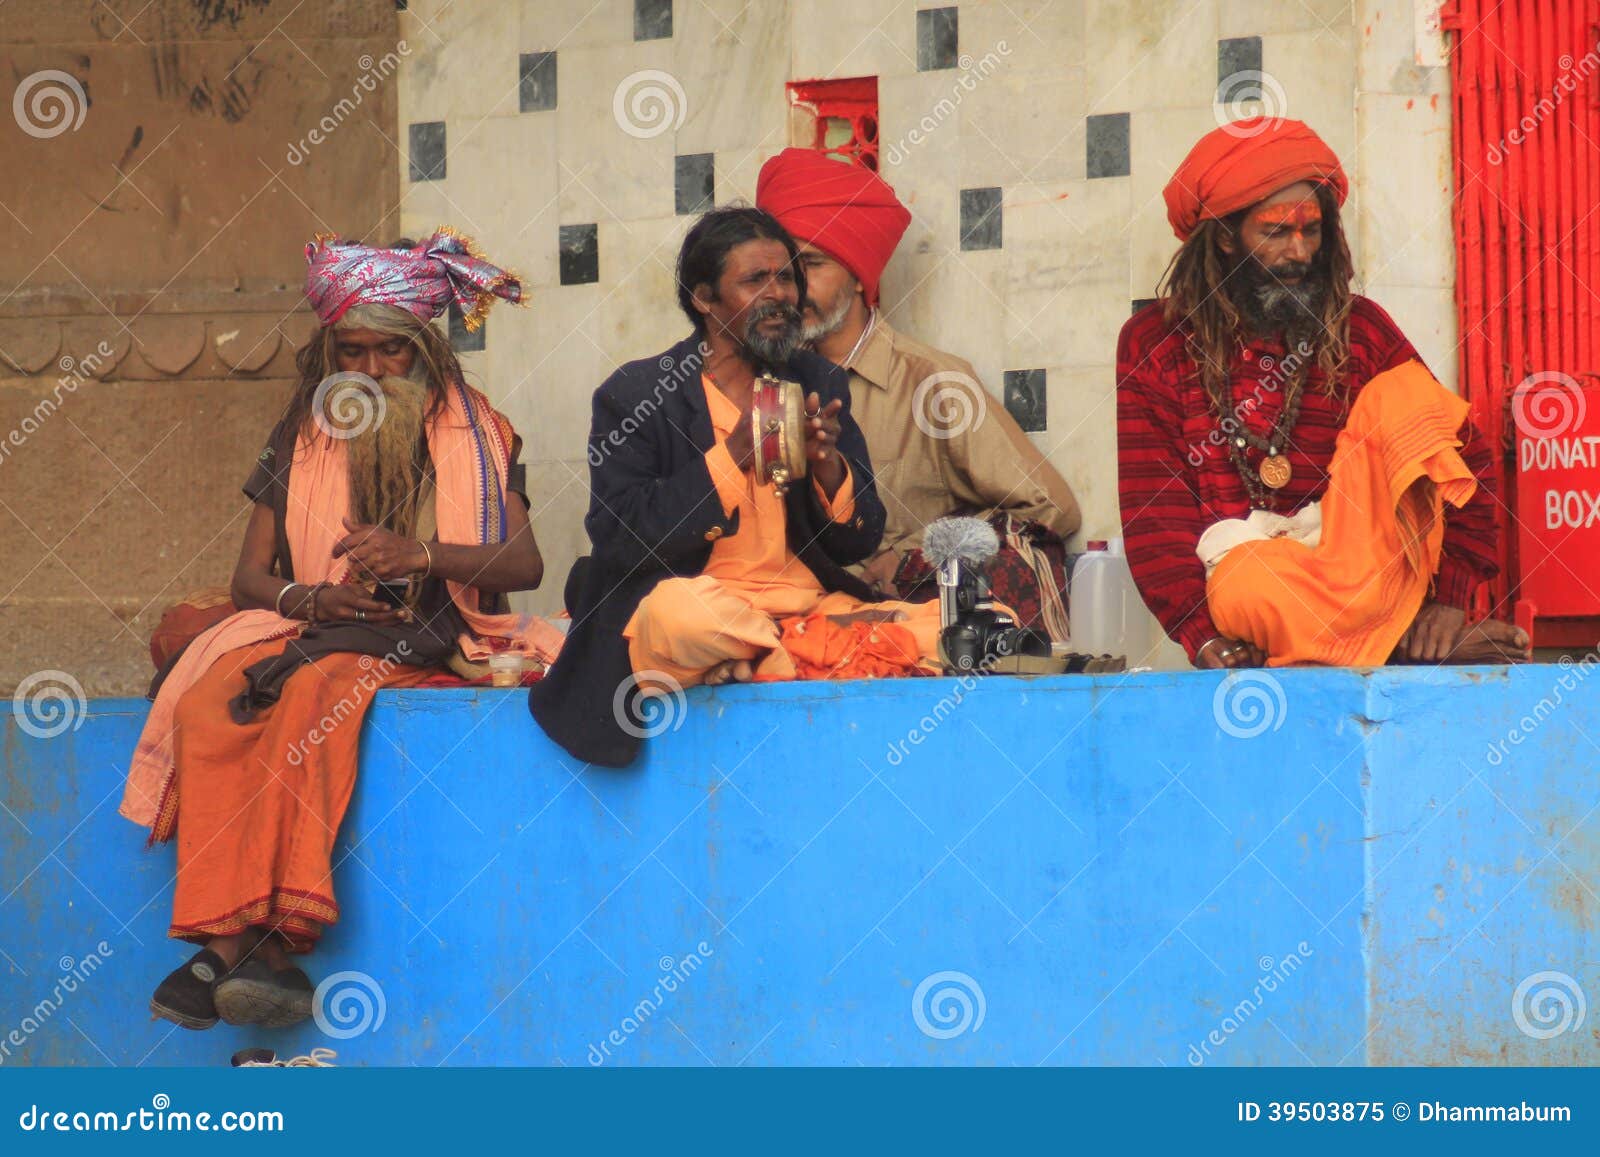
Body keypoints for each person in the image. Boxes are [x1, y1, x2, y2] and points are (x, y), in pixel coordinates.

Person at [121, 228, 555, 1030]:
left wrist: (419, 553)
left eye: (387, 352)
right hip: (314, 626)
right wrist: (313, 600)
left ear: (422, 347)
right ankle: (246, 949)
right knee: (207, 702)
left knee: (312, 698)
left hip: (426, 631)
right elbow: (250, 577)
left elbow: (523, 563)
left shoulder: (480, 430)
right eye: (349, 352)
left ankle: (245, 941)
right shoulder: (302, 430)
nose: (368, 371)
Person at [529, 206, 942, 768]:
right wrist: (732, 457)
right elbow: (621, 538)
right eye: (755, 281)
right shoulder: (638, 392)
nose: (781, 295)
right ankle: (812, 651)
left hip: (805, 607)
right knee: (679, 614)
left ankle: (777, 652)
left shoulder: (814, 378)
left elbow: (859, 541)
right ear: (703, 299)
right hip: (700, 610)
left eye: (788, 278)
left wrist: (827, 469)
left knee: (961, 624)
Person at [1116, 118, 1529, 668]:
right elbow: (1154, 510)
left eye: (1311, 231)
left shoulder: (1363, 330)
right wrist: (1200, 632)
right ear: (1222, 235)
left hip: (1365, 580)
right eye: (1275, 232)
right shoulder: (1154, 345)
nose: (1299, 251)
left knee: (1402, 400)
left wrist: (1448, 599)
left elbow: (1464, 458)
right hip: (1259, 594)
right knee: (1246, 583)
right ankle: (1399, 648)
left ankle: (1389, 638)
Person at [755, 148, 1081, 637]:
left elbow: (1050, 509)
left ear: (859, 276)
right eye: (777, 273)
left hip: (905, 639)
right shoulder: (753, 387)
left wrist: (915, 554)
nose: (791, 291)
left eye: (812, 265)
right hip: (784, 637)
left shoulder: (933, 383)